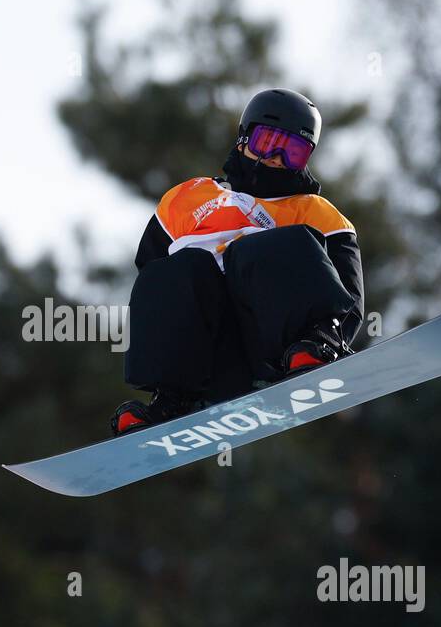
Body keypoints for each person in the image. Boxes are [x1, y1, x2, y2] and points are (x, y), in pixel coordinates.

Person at [111, 88, 365, 435]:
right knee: (176, 271)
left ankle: (318, 345)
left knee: (258, 247)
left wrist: (331, 331)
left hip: (274, 344)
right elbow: (153, 281)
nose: (276, 157)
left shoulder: (316, 213)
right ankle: (175, 397)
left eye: (292, 151)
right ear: (244, 137)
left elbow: (349, 294)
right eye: (267, 142)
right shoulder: (186, 200)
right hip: (211, 351)